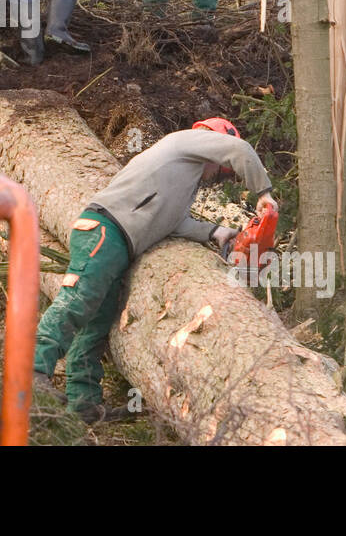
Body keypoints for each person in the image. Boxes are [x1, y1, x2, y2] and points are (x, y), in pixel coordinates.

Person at [32, 117, 279, 424]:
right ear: (215, 141)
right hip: (105, 231)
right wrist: (264, 194)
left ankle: (83, 406)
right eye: (221, 170)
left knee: (95, 325)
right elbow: (240, 149)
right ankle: (32, 373)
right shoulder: (186, 141)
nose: (217, 176)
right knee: (78, 299)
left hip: (118, 242)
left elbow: (174, 223)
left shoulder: (179, 174)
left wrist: (216, 232)